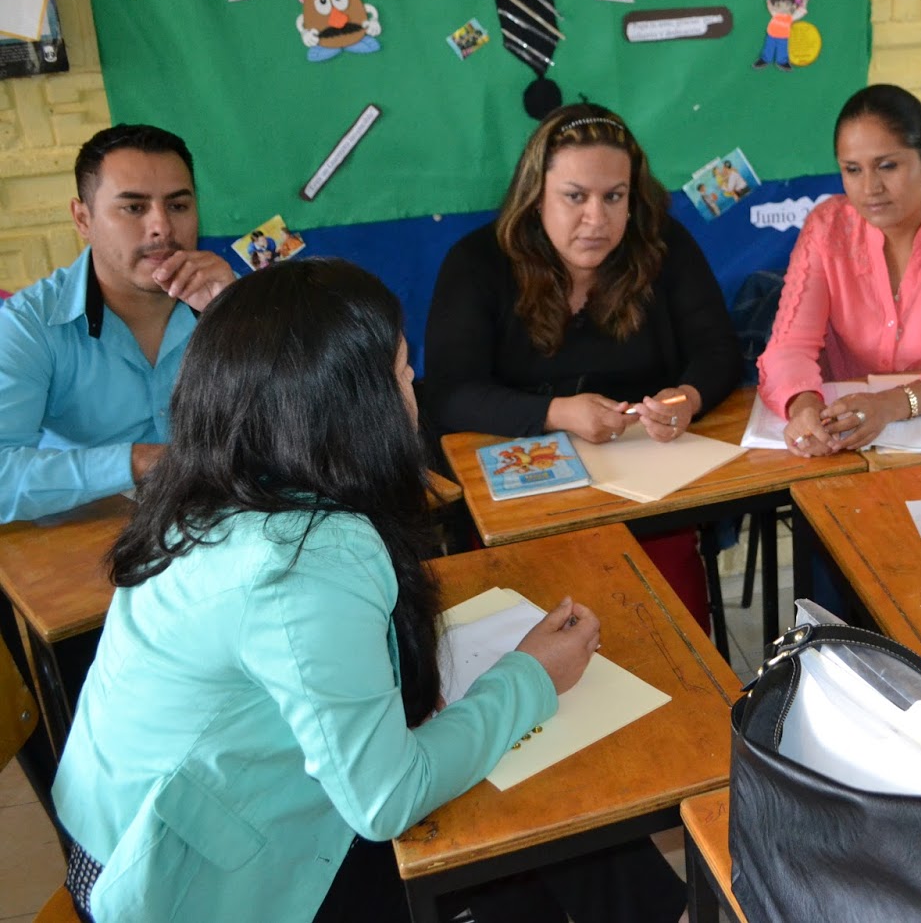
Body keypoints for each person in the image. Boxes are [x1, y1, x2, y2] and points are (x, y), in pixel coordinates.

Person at [50, 260, 683, 922]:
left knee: (528, 817)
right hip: (182, 886)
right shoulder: (305, 556)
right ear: (350, 411)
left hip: (167, 825)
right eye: (404, 373)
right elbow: (386, 800)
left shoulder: (216, 483)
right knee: (527, 813)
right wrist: (530, 676)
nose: (416, 389)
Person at [425, 104, 741, 629]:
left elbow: (718, 350)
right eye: (575, 197)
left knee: (666, 634)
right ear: (536, 195)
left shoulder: (663, 245)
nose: (596, 219)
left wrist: (685, 399)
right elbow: (449, 392)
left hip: (645, 497)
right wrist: (554, 413)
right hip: (521, 506)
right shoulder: (477, 262)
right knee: (538, 641)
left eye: (614, 197)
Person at [0, 124, 234, 523]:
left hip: (229, 539)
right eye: (134, 207)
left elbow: (324, 433)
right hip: (85, 552)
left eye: (178, 206)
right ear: (83, 218)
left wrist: (239, 317)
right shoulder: (29, 325)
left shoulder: (232, 301)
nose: (161, 227)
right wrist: (137, 462)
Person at [758, 83, 921, 456]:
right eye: (853, 170)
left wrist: (892, 405)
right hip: (842, 440)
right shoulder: (827, 227)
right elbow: (788, 347)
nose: (870, 187)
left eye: (887, 166)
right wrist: (805, 407)